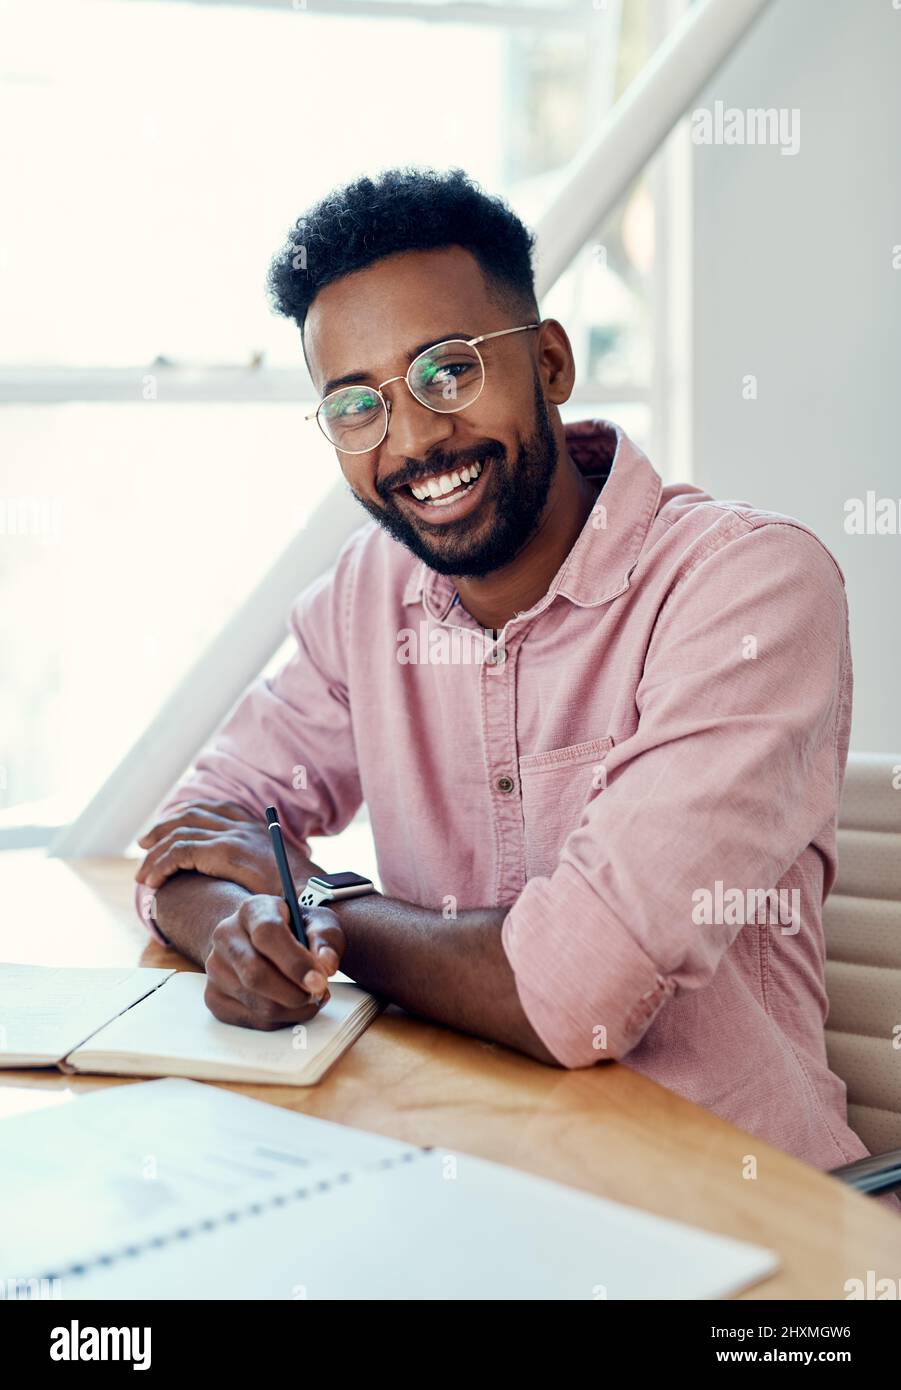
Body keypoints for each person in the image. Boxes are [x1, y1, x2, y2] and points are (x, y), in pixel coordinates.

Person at [135, 168, 868, 1172]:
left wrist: (317, 902)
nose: (413, 438)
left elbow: (575, 990)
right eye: (357, 405)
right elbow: (191, 838)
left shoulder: (746, 588)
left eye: (449, 371)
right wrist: (245, 931)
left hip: (739, 1214)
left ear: (553, 362)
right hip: (468, 1175)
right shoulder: (368, 596)